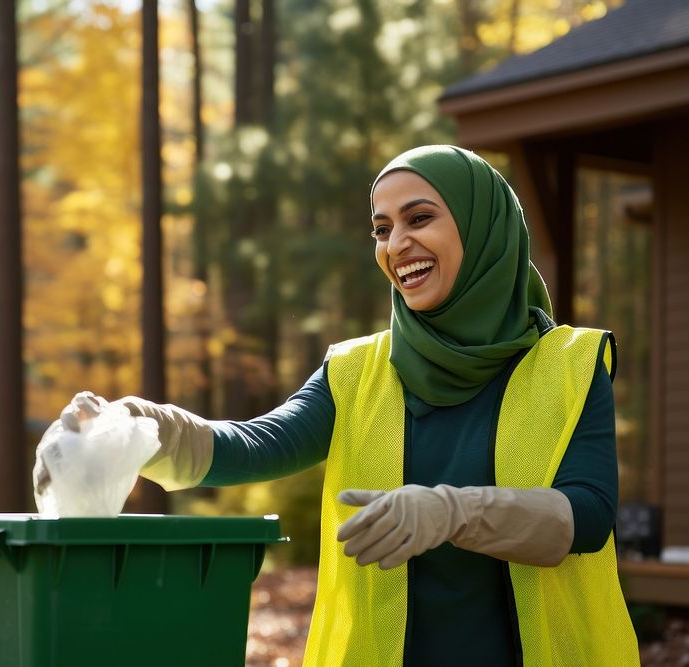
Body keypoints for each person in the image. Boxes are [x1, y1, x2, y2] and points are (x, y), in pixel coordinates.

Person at [92, 145, 639, 665]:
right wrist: (145, 429)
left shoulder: (572, 363)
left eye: (419, 218)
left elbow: (588, 516)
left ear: (483, 228)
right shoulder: (355, 370)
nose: (395, 244)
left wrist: (452, 512)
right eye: (382, 229)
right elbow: (261, 445)